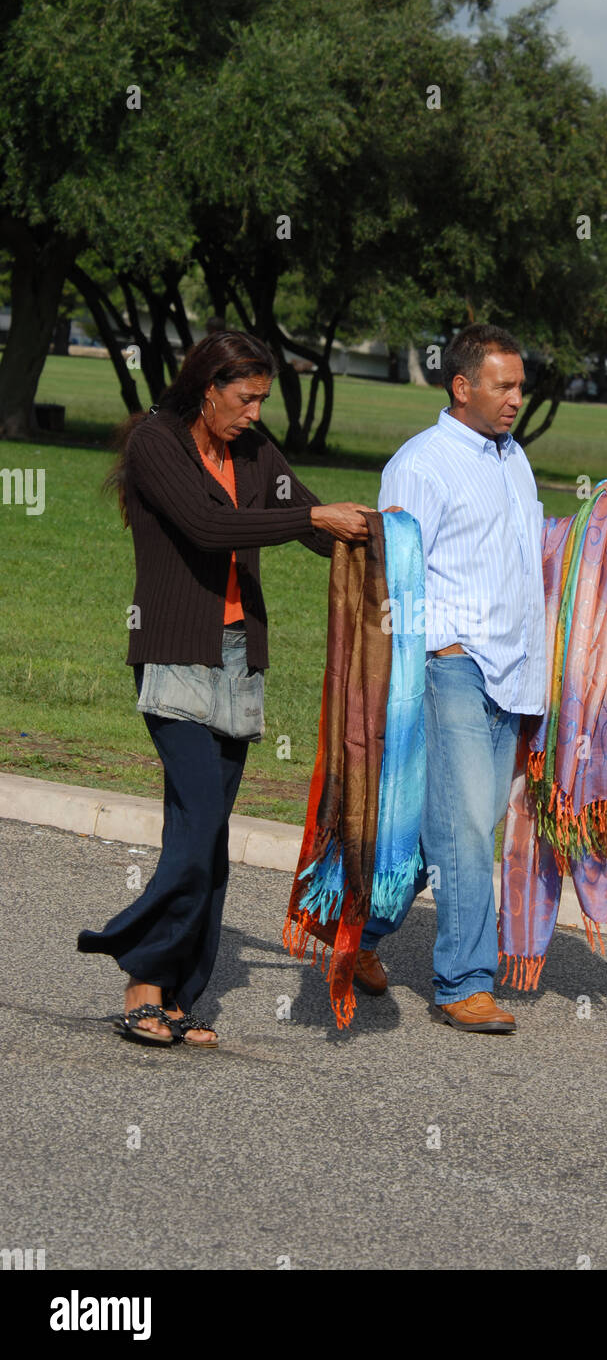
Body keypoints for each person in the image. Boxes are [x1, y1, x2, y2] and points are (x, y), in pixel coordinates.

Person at [78, 331, 375, 1047]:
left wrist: (387, 534)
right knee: (199, 823)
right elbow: (211, 527)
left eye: (262, 400)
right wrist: (312, 517)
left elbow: (307, 520)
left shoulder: (251, 449)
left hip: (239, 659)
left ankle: (179, 996)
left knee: (209, 844)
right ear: (207, 388)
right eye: (245, 398)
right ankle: (140, 974)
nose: (254, 412)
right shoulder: (158, 442)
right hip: (176, 652)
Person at [355, 324, 548, 1033]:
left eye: (520, 386)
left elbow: (519, 546)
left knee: (447, 830)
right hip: (451, 664)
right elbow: (396, 576)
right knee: (466, 830)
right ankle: (464, 983)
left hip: (512, 669)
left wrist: (598, 524)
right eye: (504, 385)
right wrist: (429, 660)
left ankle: (359, 936)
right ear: (461, 386)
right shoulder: (422, 464)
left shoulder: (512, 457)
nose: (516, 399)